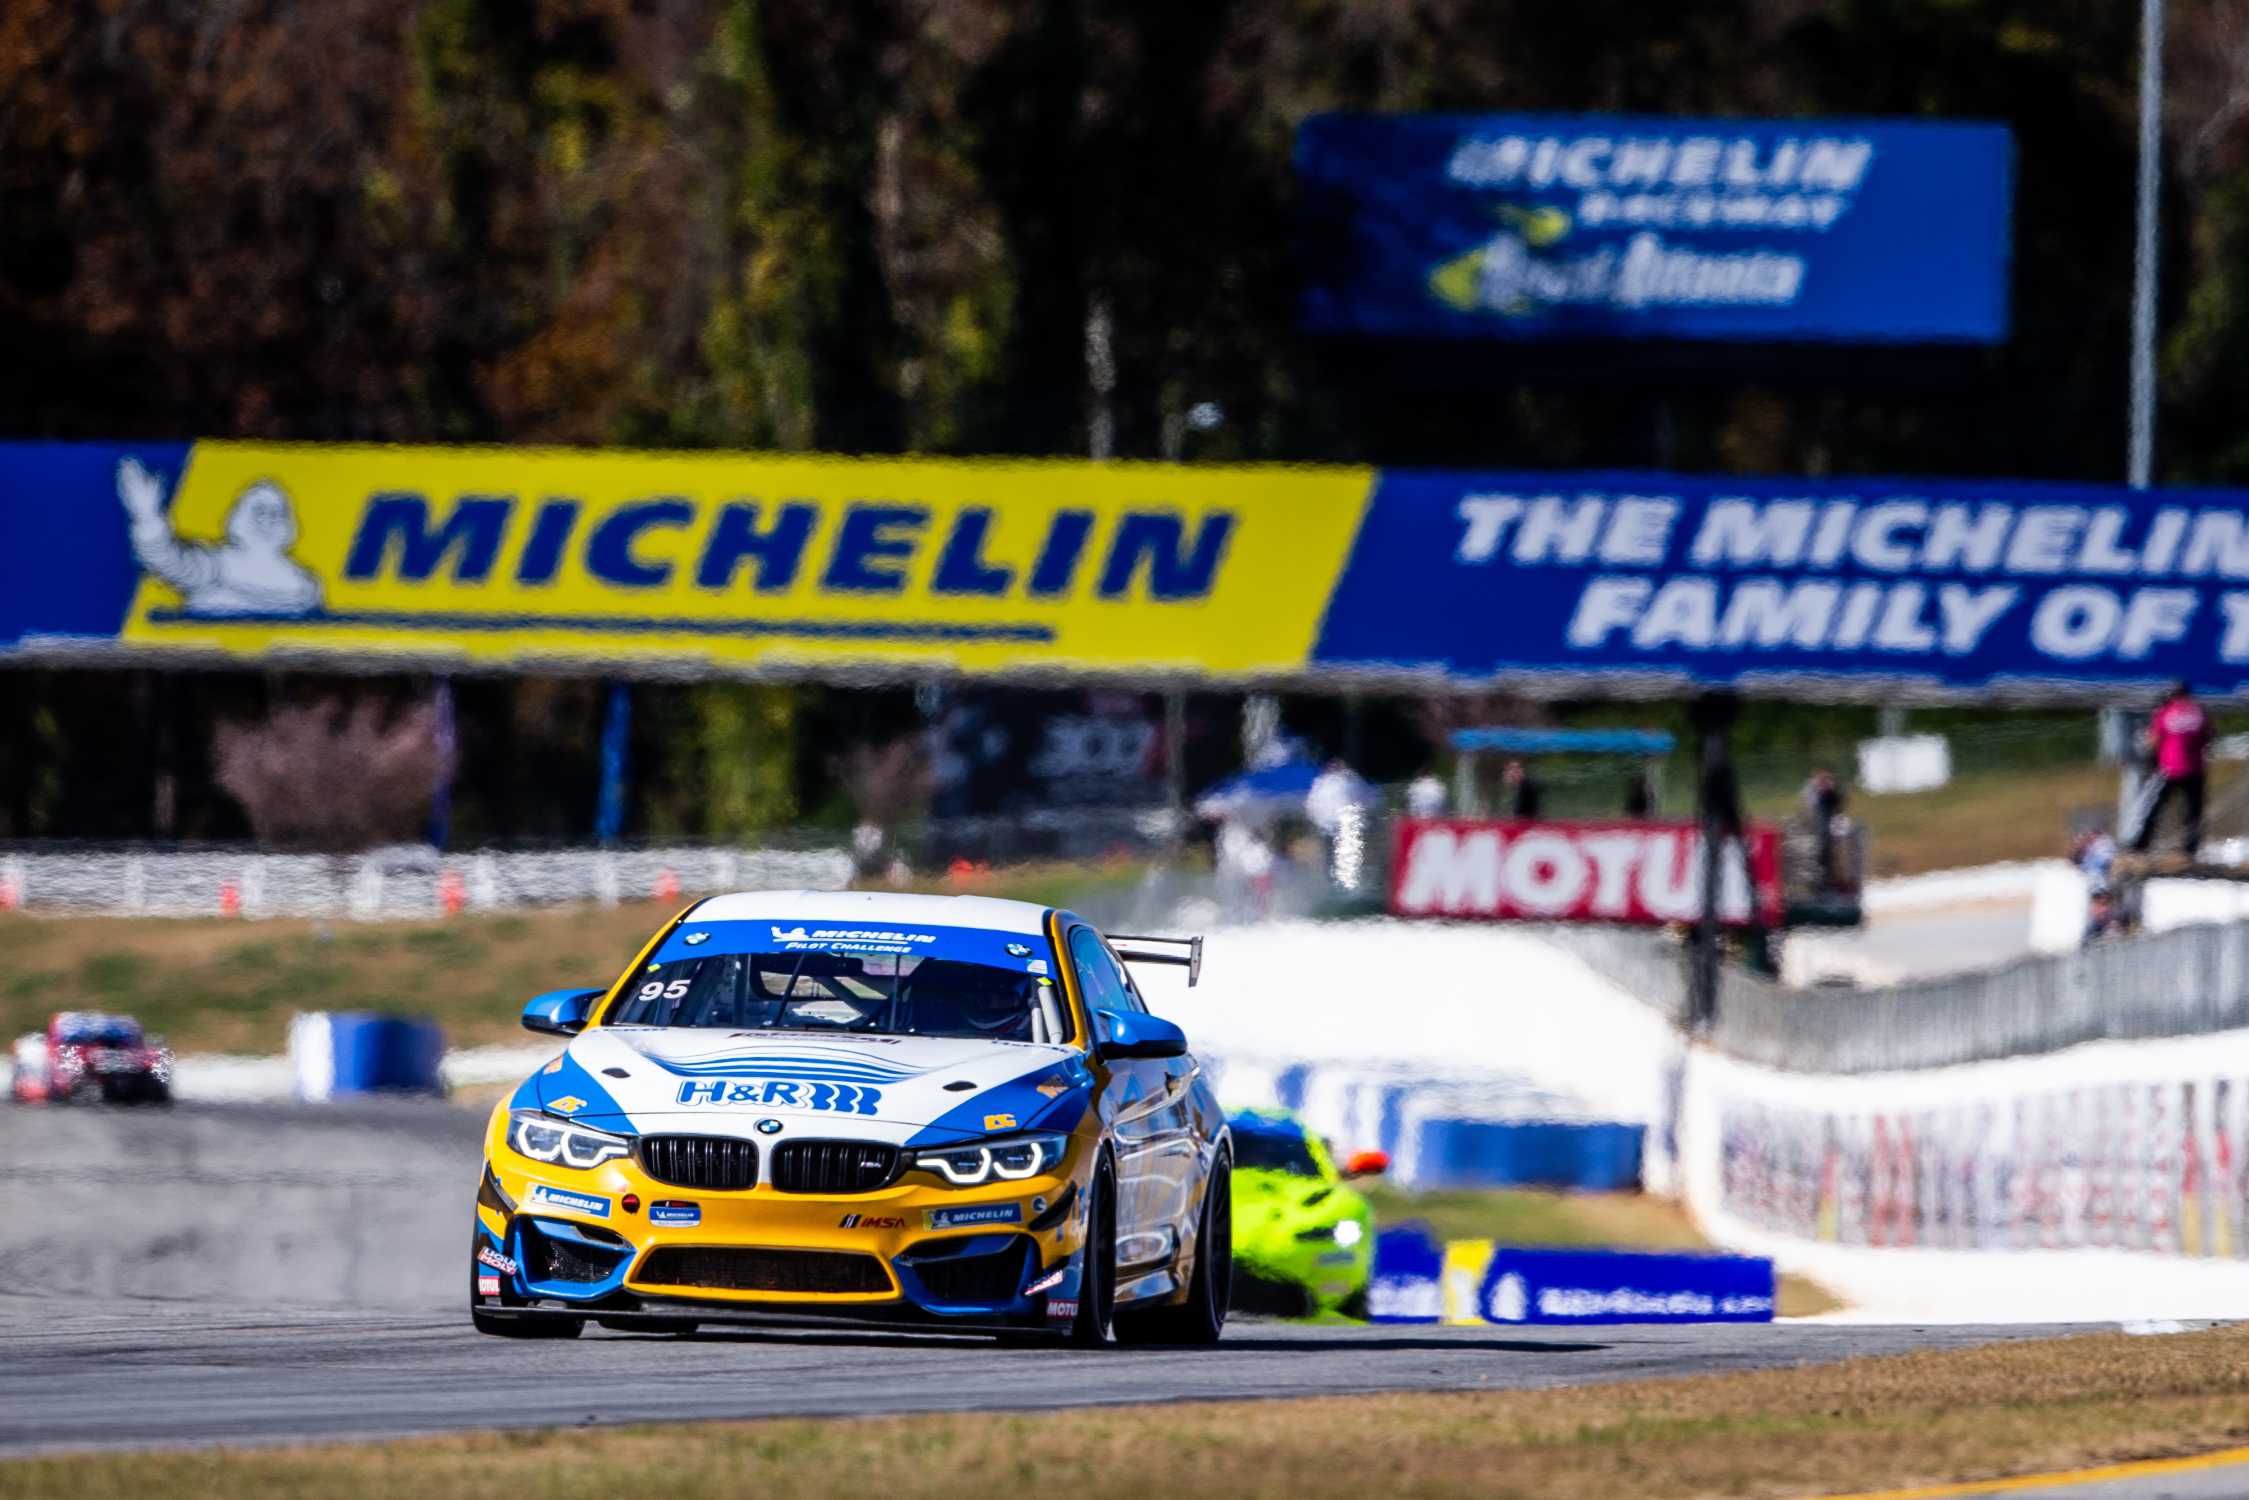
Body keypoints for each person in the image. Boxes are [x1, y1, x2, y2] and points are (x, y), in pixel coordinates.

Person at [2132, 682, 2212, 859]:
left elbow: (2154, 740)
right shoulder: (2199, 712)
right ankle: (2190, 848)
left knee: (2154, 808)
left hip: (2170, 768)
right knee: (2193, 811)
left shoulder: (2165, 712)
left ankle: (2141, 845)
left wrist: (2151, 759)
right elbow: (2208, 737)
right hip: (2195, 769)